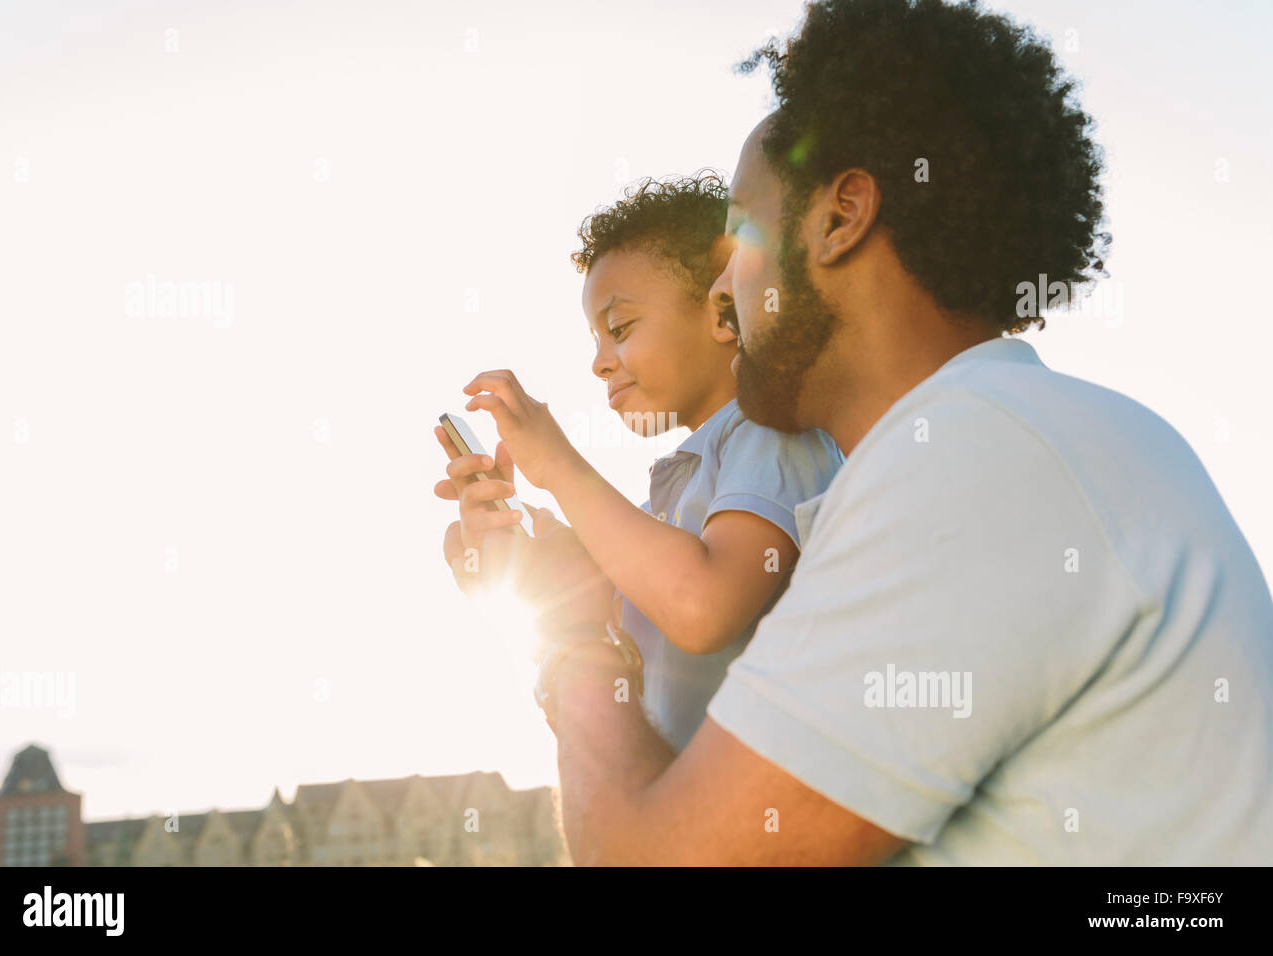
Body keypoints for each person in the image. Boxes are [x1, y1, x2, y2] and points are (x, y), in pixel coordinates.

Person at [485, 0, 1273, 865]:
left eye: (742, 237)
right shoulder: (1008, 441)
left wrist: (574, 644)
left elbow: (658, 858)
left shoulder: (973, 462)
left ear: (841, 215)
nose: (722, 295)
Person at [434, 171, 842, 753]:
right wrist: (526, 564)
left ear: (723, 314)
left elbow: (702, 607)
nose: (600, 363)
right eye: (595, 339)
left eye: (619, 328)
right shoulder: (664, 504)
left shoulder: (772, 434)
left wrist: (558, 467)